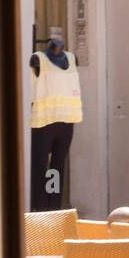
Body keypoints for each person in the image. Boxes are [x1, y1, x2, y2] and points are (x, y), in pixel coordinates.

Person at [28, 35, 82, 211]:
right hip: (43, 122)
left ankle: (54, 209)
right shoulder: (38, 59)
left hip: (66, 123)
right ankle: (41, 209)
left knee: (57, 168)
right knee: (40, 166)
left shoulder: (73, 59)